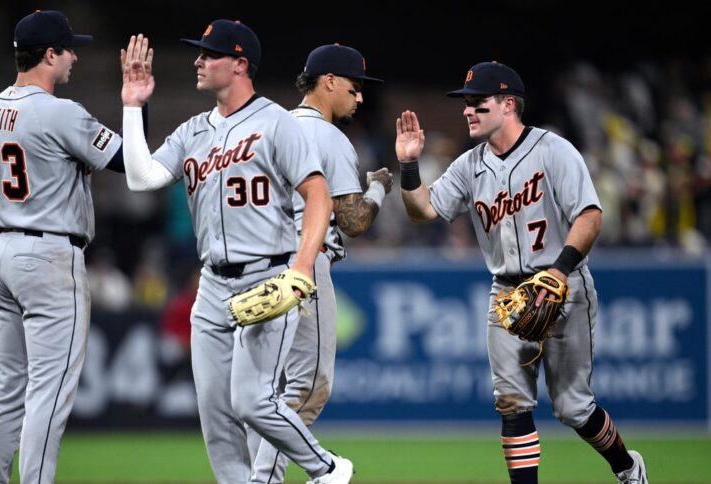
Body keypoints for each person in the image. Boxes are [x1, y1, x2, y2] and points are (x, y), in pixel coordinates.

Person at [118, 20, 354, 484]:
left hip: (269, 274)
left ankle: (327, 468)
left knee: (252, 400)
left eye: (210, 54)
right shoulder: (192, 131)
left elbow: (319, 196)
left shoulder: (277, 123)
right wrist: (131, 107)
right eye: (200, 53)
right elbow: (140, 177)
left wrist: (302, 270)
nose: (198, 61)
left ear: (241, 64)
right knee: (216, 415)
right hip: (211, 283)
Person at [395, 61, 648, 484]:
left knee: (574, 408)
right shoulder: (468, 165)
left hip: (563, 286)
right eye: (466, 103)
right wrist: (408, 165)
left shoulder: (554, 150)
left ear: (508, 104)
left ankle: (627, 466)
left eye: (477, 102)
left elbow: (589, 216)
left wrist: (560, 272)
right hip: (507, 293)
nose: (467, 110)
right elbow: (423, 210)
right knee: (511, 402)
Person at [0, 10, 136, 483]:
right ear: (49, 54)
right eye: (68, 48)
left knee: (9, 387)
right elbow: (129, 161)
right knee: (49, 390)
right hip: (46, 257)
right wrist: (133, 104)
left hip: (0, 251)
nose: (74, 56)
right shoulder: (59, 112)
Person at [248, 44, 392, 483]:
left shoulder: (269, 127)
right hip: (304, 262)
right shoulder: (329, 136)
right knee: (309, 385)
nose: (360, 97)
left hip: (257, 259)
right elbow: (352, 221)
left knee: (265, 391)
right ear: (328, 81)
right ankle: (264, 480)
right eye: (354, 87)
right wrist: (379, 188)